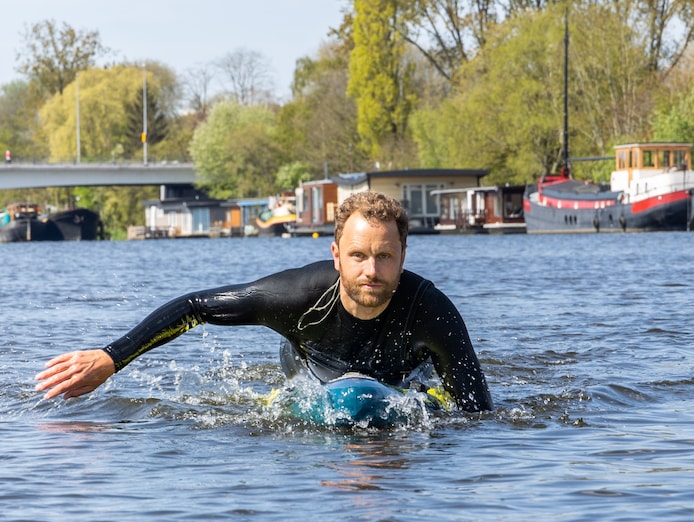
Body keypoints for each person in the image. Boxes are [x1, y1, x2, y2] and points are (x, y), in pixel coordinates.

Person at [35, 190, 493, 411]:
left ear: (403, 256)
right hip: (312, 373)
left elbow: (477, 411)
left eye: (384, 257)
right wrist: (111, 357)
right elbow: (197, 307)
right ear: (336, 256)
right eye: (358, 256)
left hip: (399, 384)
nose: (371, 271)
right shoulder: (295, 297)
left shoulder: (430, 310)